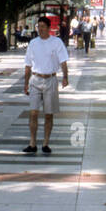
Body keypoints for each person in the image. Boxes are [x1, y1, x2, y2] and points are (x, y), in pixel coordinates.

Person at [23, 15, 69, 154]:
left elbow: (63, 61)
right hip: (35, 80)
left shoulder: (56, 42)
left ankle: (45, 143)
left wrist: (65, 76)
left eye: (43, 27)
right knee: (33, 112)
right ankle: (32, 143)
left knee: (49, 114)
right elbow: (27, 65)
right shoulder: (33, 43)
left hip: (51, 80)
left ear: (49, 28)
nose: (40, 29)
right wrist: (26, 83)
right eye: (39, 27)